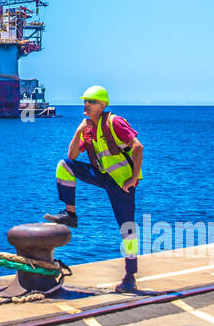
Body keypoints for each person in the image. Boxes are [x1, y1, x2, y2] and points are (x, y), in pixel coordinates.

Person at [45, 85, 143, 293]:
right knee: (64, 165)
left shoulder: (114, 122)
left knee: (127, 229)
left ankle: (130, 275)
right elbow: (72, 156)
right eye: (85, 101)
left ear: (102, 105)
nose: (86, 105)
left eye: (91, 102)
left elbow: (138, 146)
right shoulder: (88, 128)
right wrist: (78, 131)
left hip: (122, 183)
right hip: (102, 175)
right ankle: (69, 213)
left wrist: (133, 178)